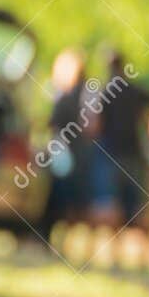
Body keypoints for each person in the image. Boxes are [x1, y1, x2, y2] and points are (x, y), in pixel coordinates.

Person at [85, 47, 149, 266]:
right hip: (135, 154)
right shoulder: (135, 90)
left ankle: (115, 256)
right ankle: (144, 258)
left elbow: (94, 125)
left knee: (110, 206)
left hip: (110, 154)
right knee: (138, 207)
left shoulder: (103, 92)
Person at [38, 47, 89, 247]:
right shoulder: (82, 94)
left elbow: (55, 123)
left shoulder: (70, 97)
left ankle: (48, 238)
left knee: (58, 199)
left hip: (65, 154)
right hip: (71, 153)